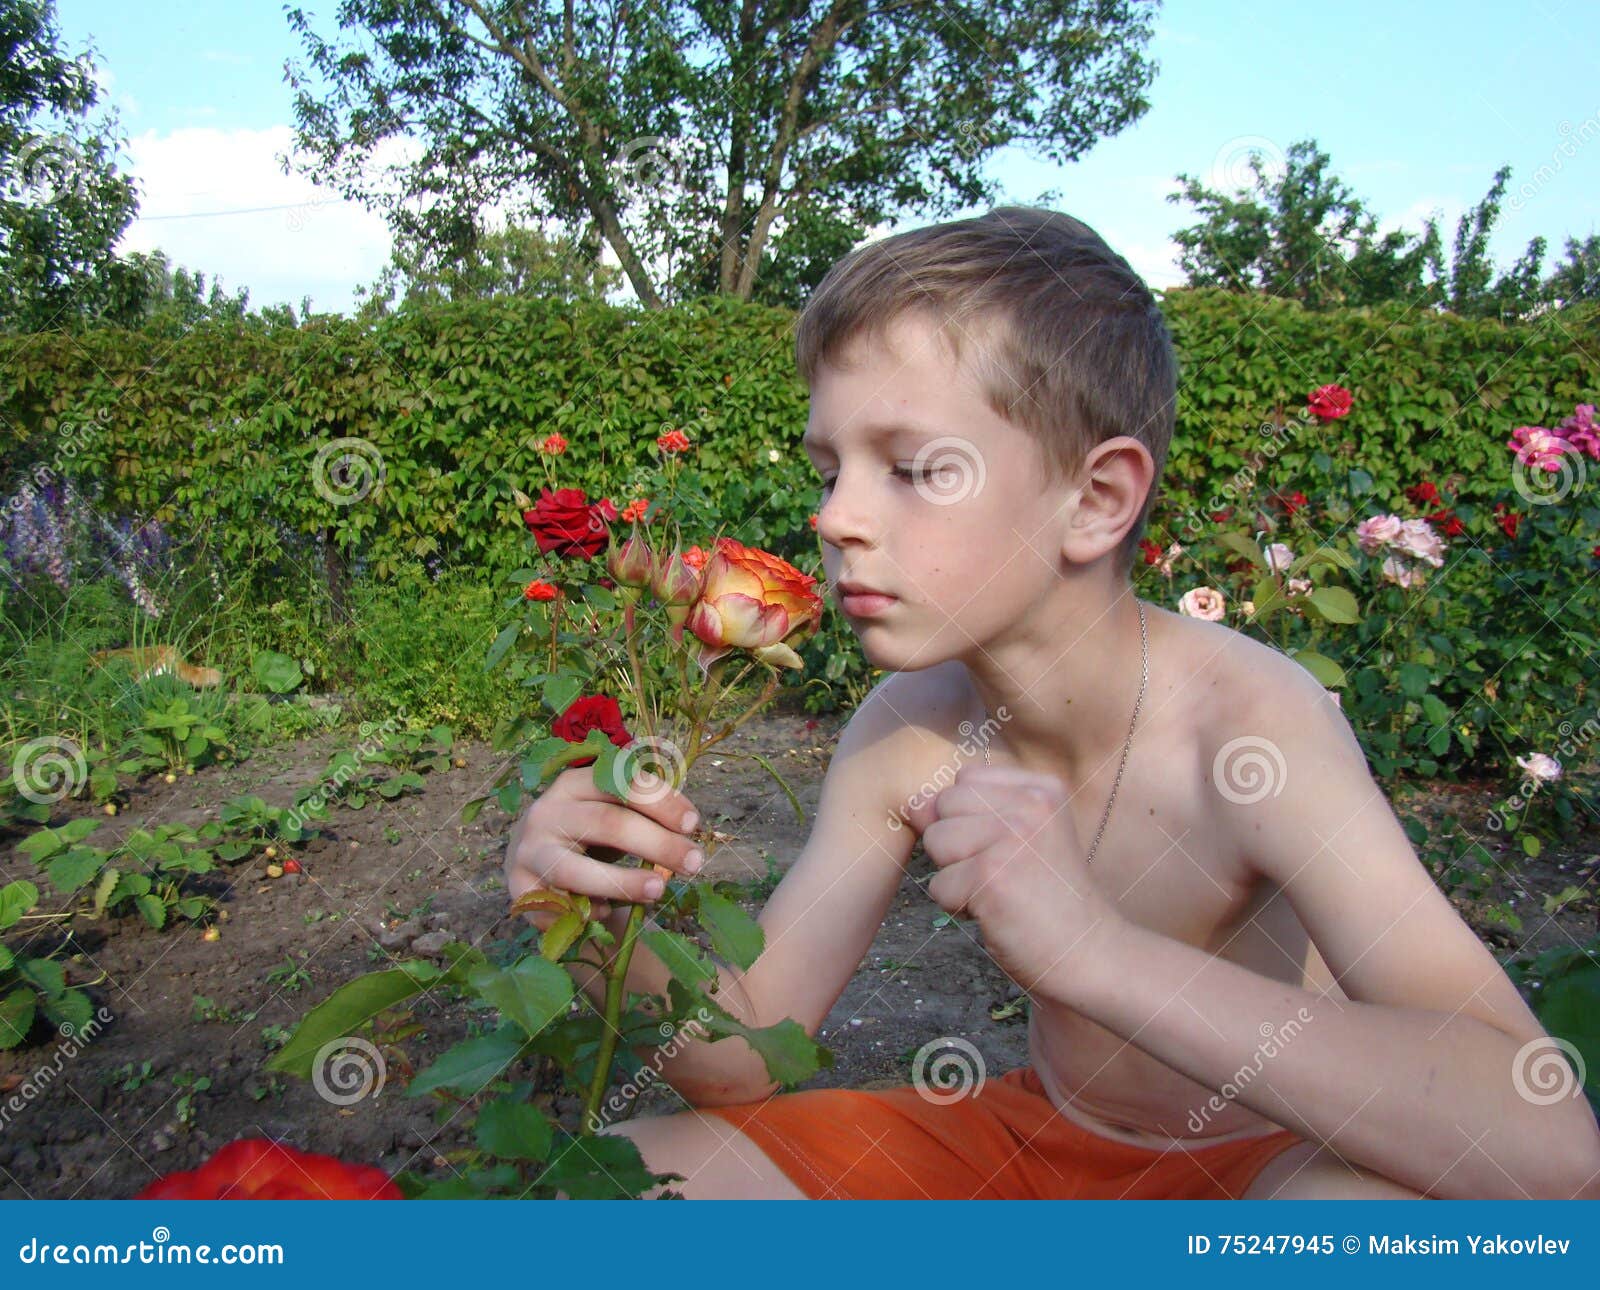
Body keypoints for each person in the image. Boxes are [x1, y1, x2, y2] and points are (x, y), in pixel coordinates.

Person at [504, 206, 1600, 1200]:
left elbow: (1550, 1146)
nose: (834, 518)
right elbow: (741, 1051)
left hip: (1272, 1163)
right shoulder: (906, 730)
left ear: (1095, 500)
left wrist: (1096, 951)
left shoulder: (1252, 727)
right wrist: (593, 910)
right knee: (632, 1185)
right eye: (830, 468)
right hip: (1031, 1151)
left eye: (913, 468)